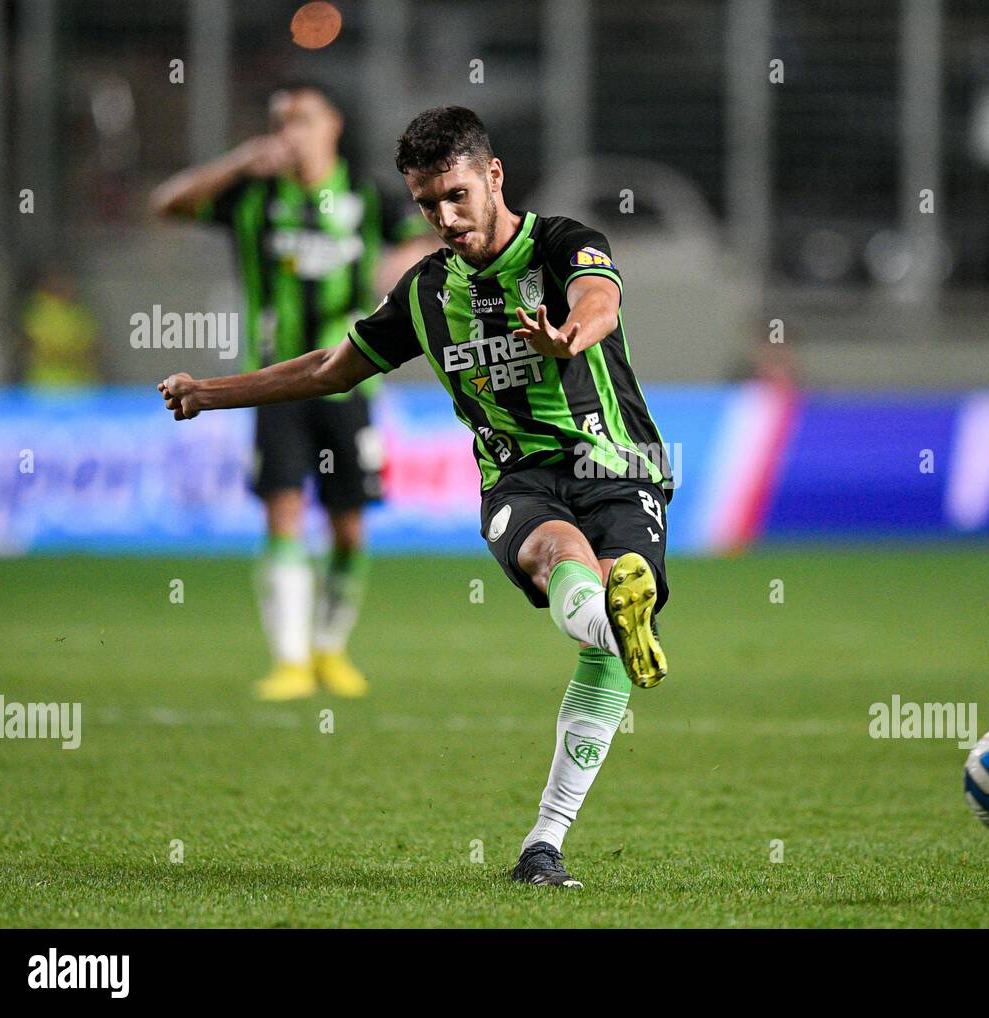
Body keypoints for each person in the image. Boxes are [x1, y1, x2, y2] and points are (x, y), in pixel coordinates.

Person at [158, 106, 672, 889]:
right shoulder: (426, 292)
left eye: (458, 195)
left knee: (601, 637)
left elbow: (601, 298)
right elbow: (330, 368)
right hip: (517, 477)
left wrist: (571, 335)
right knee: (559, 557)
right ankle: (612, 616)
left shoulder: (565, 242)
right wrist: (211, 391)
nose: (444, 217)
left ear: (494, 175)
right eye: (428, 203)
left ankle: (544, 840)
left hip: (615, 464)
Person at [150, 82, 439, 701]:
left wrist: (412, 254)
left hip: (348, 383)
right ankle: (288, 660)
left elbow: (441, 233)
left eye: (302, 118)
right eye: (280, 120)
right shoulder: (253, 198)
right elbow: (166, 204)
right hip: (274, 386)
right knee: (282, 512)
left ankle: (329, 649)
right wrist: (236, 161)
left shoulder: (368, 199)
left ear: (333, 124)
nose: (290, 131)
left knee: (348, 530)